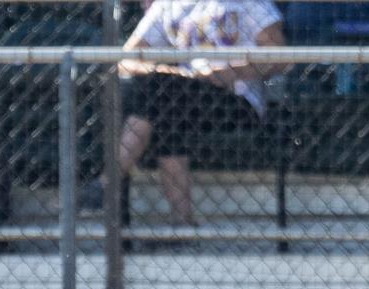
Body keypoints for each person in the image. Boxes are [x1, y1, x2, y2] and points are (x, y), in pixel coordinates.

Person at [117, 0, 285, 232]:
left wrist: (230, 72)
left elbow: (280, 56)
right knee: (164, 106)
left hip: (236, 100)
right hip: (180, 97)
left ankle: (107, 182)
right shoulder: (169, 4)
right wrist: (164, 73)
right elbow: (126, 59)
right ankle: (182, 226)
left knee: (161, 101)